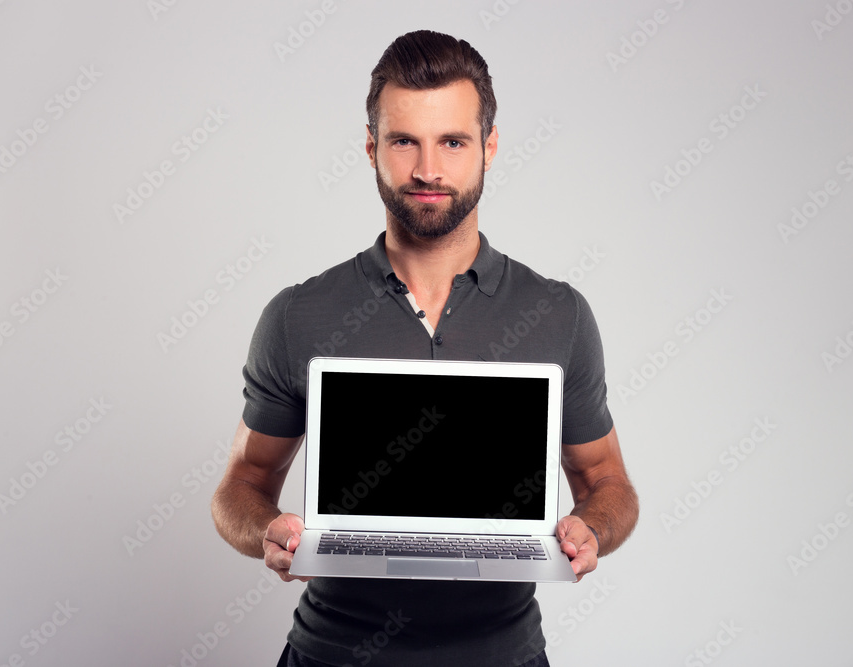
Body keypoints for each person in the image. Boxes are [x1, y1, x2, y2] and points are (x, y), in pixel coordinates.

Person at [211, 29, 639, 667]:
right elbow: (242, 483)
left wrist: (591, 529)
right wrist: (265, 530)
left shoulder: (557, 314)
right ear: (371, 147)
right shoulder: (299, 315)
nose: (428, 169)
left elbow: (607, 480)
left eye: (453, 142)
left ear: (489, 146)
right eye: (404, 140)